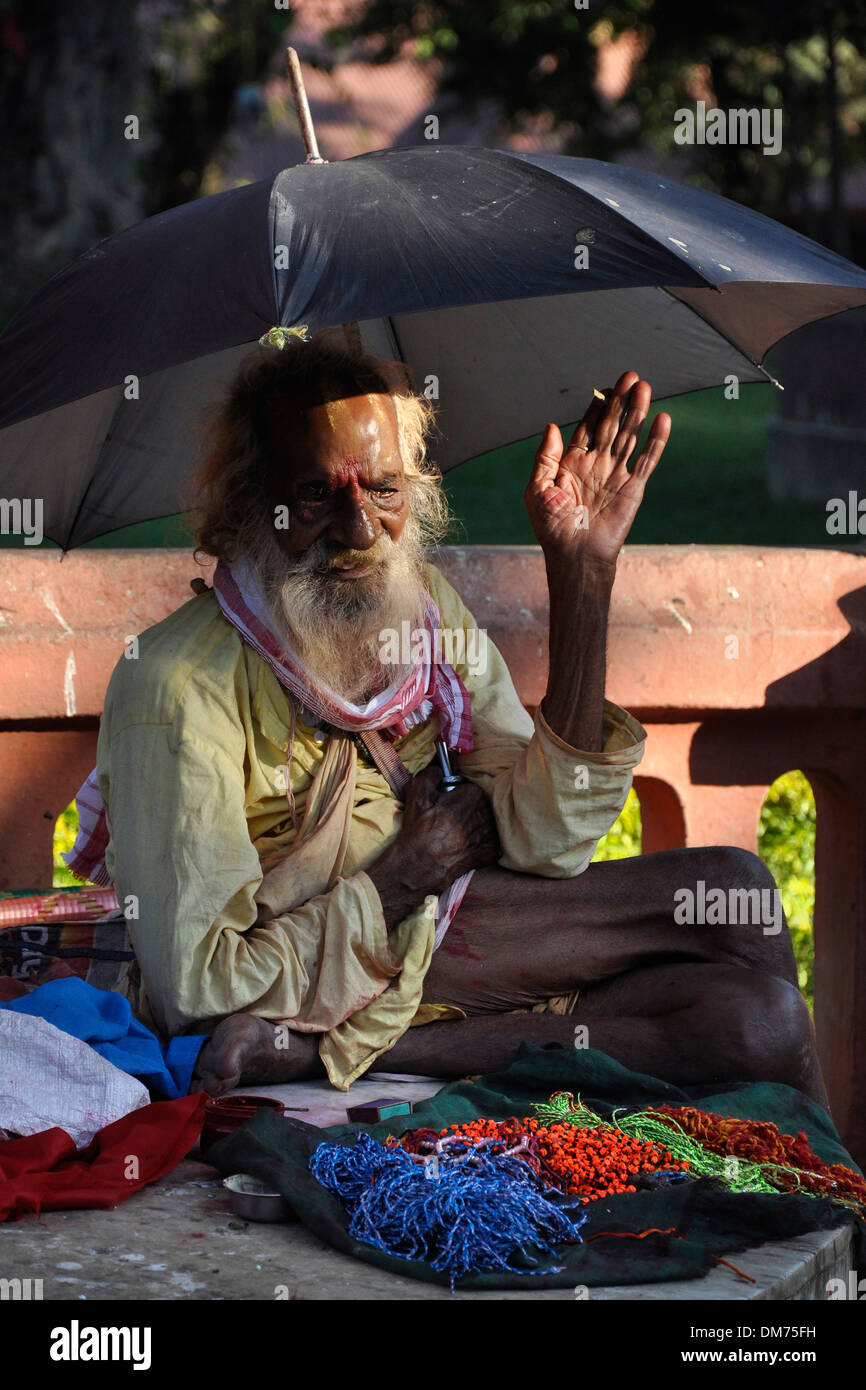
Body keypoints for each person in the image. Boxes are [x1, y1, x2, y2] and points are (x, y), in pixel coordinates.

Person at [76, 333, 827, 1108]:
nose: (360, 529)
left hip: (454, 929)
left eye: (383, 490)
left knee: (747, 955)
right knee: (752, 979)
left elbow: (547, 839)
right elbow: (196, 992)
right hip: (347, 952)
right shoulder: (176, 683)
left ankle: (368, 1050)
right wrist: (399, 880)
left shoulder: (424, 612)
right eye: (315, 495)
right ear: (247, 505)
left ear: (415, 492)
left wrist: (582, 573)